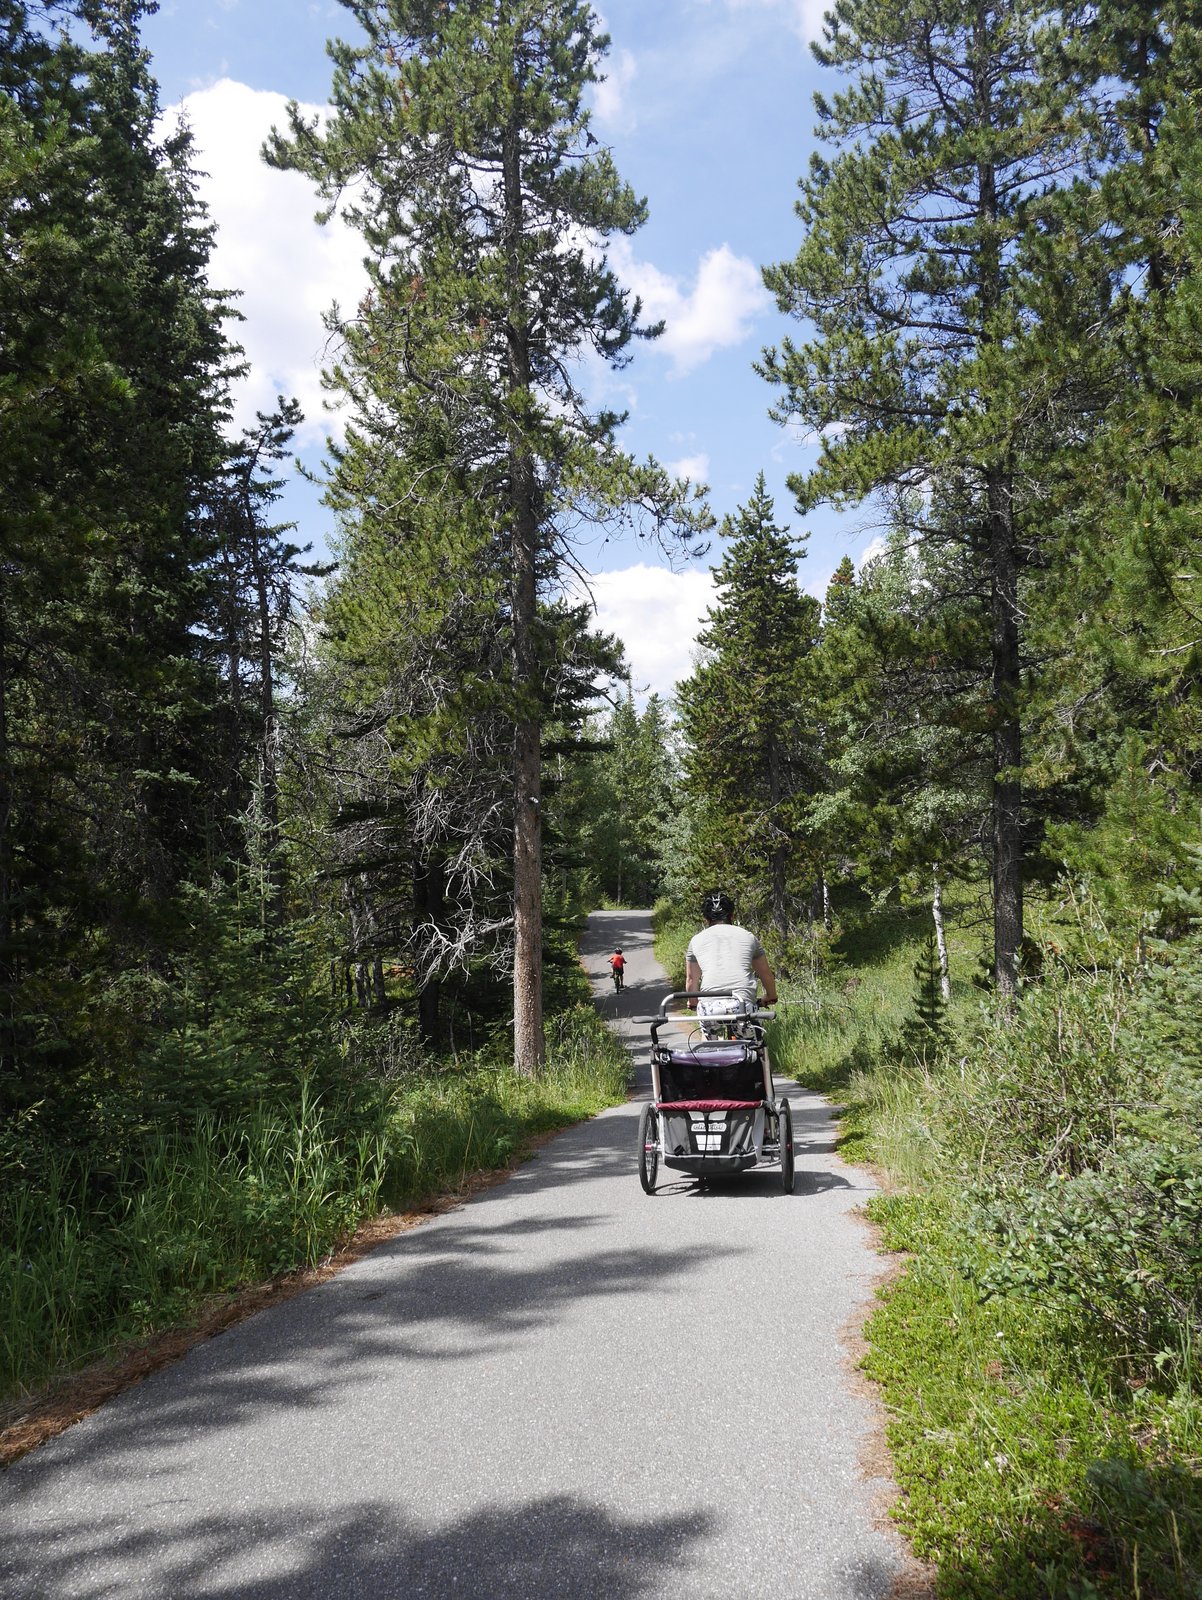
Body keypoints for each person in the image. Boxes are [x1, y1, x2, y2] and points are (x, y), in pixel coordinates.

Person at [685, 890, 777, 1023]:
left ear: (706, 919)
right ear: (732, 916)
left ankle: (709, 1042)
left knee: (709, 1038)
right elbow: (766, 974)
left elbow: (691, 979)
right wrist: (771, 996)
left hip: (710, 1007)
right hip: (742, 1005)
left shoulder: (696, 940)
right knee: (752, 1041)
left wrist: (693, 1002)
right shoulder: (748, 937)